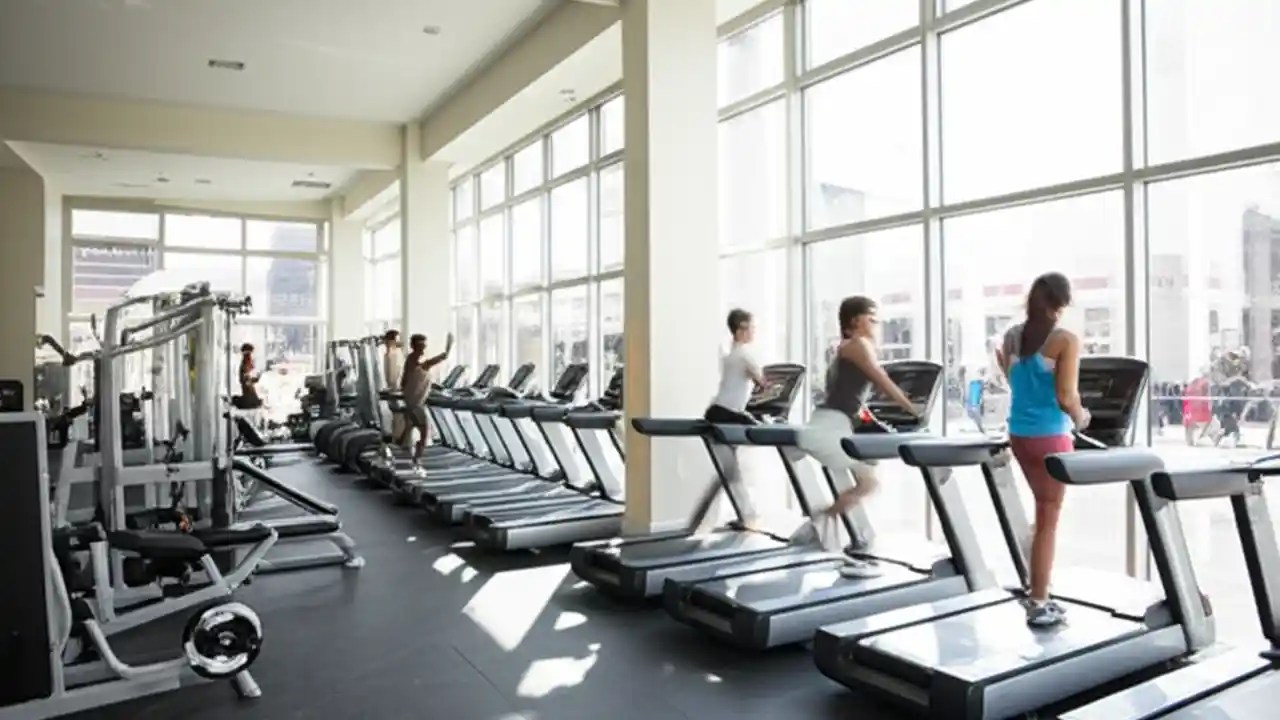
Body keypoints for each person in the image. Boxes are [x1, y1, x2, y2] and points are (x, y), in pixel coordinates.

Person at [797, 296, 919, 579]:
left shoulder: (845, 347)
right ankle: (819, 523)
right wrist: (914, 409)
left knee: (868, 478)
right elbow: (882, 381)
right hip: (830, 428)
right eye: (871, 318)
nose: (876, 324)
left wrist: (880, 422)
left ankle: (827, 528)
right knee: (869, 482)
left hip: (828, 424)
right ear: (855, 321)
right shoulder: (859, 345)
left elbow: (854, 399)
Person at [995, 272, 1090, 628]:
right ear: (1062, 303)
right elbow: (1067, 398)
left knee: (1041, 513)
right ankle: (1038, 600)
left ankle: (1035, 583)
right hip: (1051, 438)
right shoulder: (1064, 339)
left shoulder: (1012, 337)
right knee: (1048, 519)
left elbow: (1015, 381)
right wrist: (1084, 418)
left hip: (1019, 435)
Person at [695, 309, 768, 529]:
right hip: (728, 414)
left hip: (718, 412)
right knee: (733, 470)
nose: (754, 331)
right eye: (752, 327)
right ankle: (749, 515)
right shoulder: (745, 354)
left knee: (730, 470)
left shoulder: (730, 355)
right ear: (741, 330)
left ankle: (747, 515)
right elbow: (763, 384)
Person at [401, 332, 454, 462]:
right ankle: (416, 458)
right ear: (414, 346)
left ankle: (397, 452)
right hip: (415, 403)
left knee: (409, 429)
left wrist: (432, 386)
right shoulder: (414, 360)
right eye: (421, 346)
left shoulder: (412, 360)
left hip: (413, 401)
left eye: (424, 346)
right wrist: (448, 348)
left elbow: (413, 379)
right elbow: (425, 367)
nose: (423, 349)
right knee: (425, 431)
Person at [382, 330, 407, 446]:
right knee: (397, 417)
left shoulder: (395, 354)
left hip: (398, 390)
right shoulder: (391, 355)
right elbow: (391, 377)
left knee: (399, 417)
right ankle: (397, 441)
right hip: (395, 390)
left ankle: (398, 440)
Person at [236, 343, 263, 410]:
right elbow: (245, 381)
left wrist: (256, 379)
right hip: (249, 400)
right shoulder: (244, 366)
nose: (251, 358)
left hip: (250, 398)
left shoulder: (245, 366)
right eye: (250, 355)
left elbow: (247, 380)